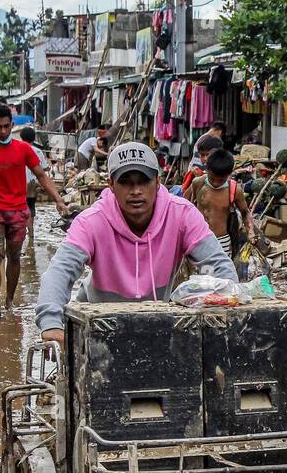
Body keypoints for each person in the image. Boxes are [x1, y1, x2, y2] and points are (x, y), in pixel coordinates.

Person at [37, 142, 239, 347]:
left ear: (158, 182)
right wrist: (51, 323)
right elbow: (60, 271)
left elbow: (217, 265)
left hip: (156, 320)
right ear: (111, 185)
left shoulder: (181, 215)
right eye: (126, 182)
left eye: (144, 181)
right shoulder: (91, 221)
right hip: (97, 325)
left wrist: (230, 305)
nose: (136, 191)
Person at [0, 103, 70, 319]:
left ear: (11, 125)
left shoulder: (23, 149)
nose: (3, 131)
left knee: (14, 258)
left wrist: (58, 199)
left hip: (18, 212)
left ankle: (9, 300)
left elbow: (41, 175)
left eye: (6, 126)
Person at [187, 148, 255, 263]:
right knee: (198, 277)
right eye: (213, 178)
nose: (216, 183)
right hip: (198, 239)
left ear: (229, 174)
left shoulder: (234, 190)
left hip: (222, 241)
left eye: (221, 180)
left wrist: (251, 230)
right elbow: (184, 206)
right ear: (207, 170)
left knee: (220, 278)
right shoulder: (197, 183)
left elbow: (245, 212)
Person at [20, 126, 50, 255]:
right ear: (34, 138)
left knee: (20, 206)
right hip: (32, 182)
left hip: (19, 182)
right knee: (31, 205)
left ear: (21, 138)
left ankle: (20, 231)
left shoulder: (18, 149)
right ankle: (30, 230)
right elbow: (45, 169)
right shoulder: (38, 151)